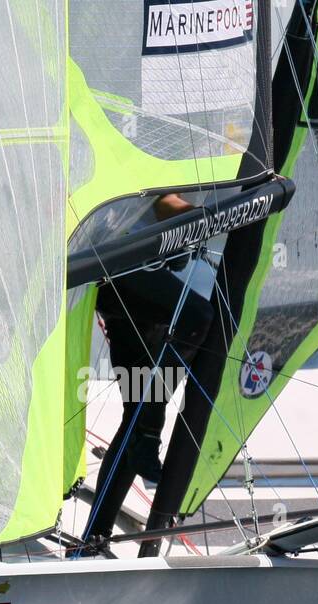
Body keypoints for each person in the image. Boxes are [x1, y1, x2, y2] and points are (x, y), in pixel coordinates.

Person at [79, 193, 215, 552]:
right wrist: (213, 214)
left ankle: (92, 542)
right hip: (120, 274)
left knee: (134, 418)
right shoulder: (159, 152)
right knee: (198, 320)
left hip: (130, 281)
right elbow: (165, 201)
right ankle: (150, 433)